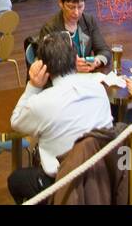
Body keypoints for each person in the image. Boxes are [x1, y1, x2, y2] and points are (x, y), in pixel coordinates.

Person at [8, 30, 113, 203]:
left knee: (16, 180)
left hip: (63, 181)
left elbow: (16, 121)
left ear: (43, 67)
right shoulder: (98, 88)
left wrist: (33, 86)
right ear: (75, 59)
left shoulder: (42, 103)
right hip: (103, 175)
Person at [37, 0, 111, 72]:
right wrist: (71, 66)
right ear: (60, 3)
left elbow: (105, 50)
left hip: (85, 76)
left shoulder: (89, 21)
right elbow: (45, 64)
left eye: (80, 7)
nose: (76, 13)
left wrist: (97, 61)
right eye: (71, 7)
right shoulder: (50, 28)